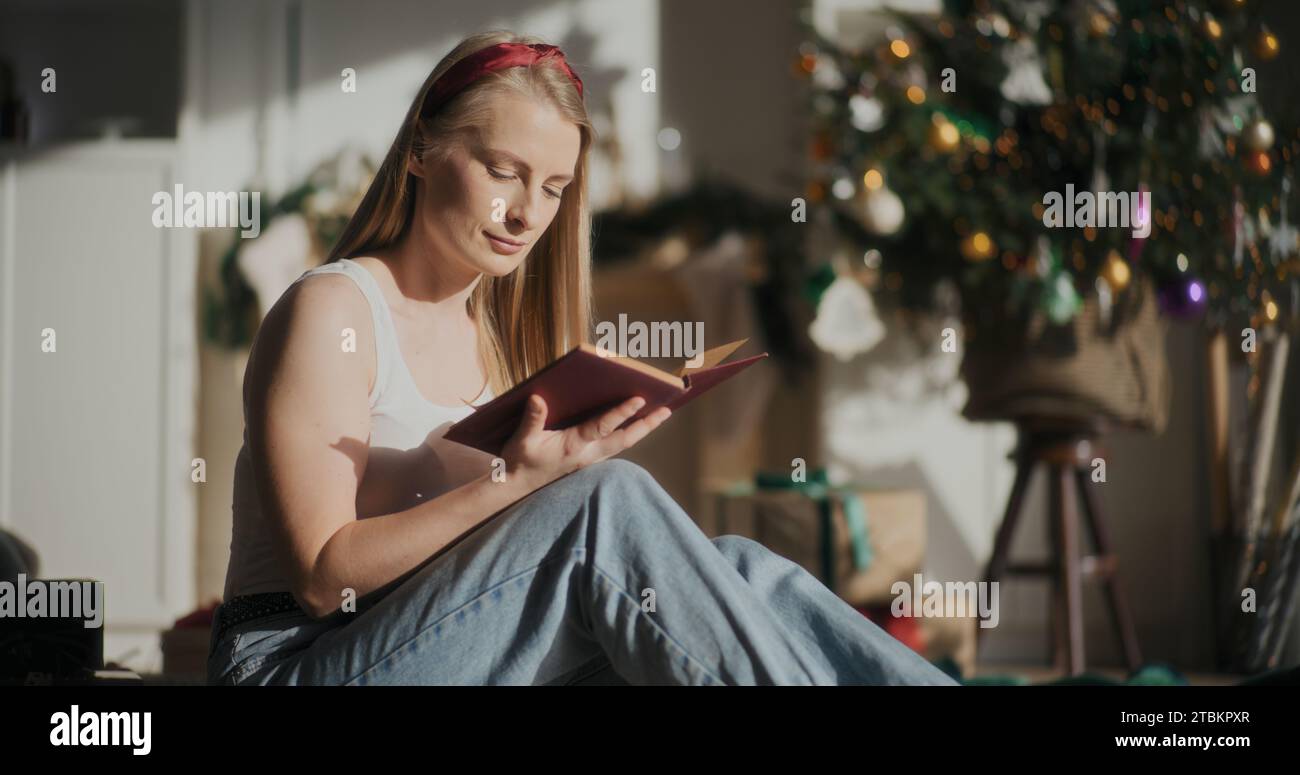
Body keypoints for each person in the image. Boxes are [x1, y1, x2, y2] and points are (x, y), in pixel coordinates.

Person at [207, 31, 959, 686]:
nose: (528, 212)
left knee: (740, 570)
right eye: (503, 170)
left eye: (554, 187)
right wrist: (521, 481)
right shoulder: (332, 309)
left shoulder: (491, 341)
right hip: (298, 658)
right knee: (609, 502)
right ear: (421, 154)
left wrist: (552, 469)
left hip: (430, 639)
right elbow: (321, 576)